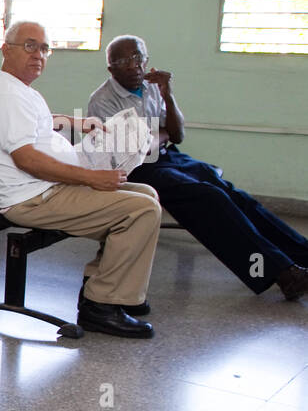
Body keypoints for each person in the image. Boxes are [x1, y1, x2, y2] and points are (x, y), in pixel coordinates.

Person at [0, 21, 162, 338]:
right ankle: (101, 305)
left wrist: (78, 122)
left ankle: (106, 283)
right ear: (6, 49)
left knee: (146, 193)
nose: (39, 55)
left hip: (50, 188)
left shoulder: (20, 90)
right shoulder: (6, 96)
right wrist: (91, 177)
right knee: (141, 210)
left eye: (45, 48)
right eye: (30, 46)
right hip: (34, 198)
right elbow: (28, 160)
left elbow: (40, 126)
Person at [88, 35, 308, 300]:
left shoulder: (152, 88)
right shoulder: (102, 100)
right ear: (111, 68)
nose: (134, 66)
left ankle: (302, 253)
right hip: (135, 169)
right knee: (209, 198)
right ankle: (282, 273)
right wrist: (159, 133)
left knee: (233, 194)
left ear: (146, 60)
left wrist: (168, 98)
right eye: (124, 61)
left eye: (138, 58)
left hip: (168, 156)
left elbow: (176, 134)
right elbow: (135, 150)